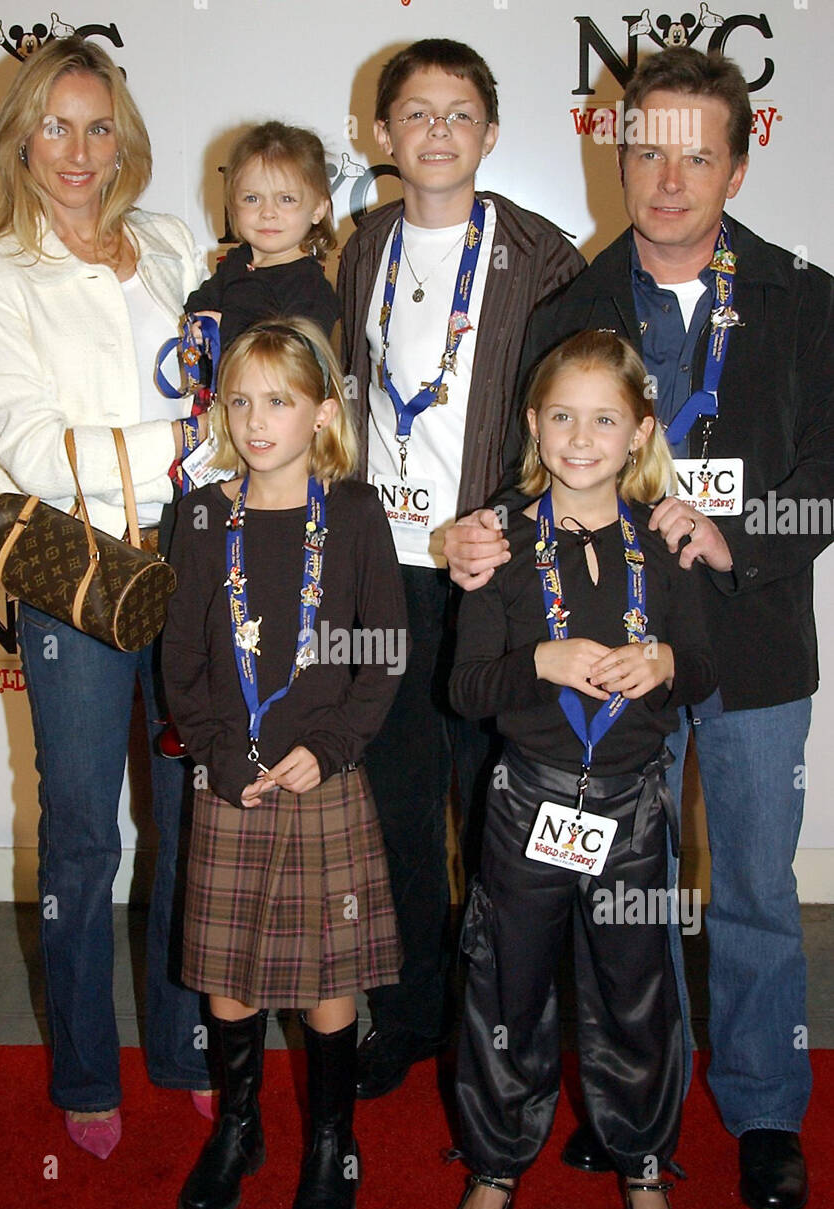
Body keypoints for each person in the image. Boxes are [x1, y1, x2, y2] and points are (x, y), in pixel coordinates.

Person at [445, 47, 834, 1209]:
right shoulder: (570, 306)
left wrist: (740, 542)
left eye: (695, 153)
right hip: (608, 662)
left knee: (755, 884)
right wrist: (475, 540)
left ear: (737, 159)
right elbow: (519, 468)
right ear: (615, 151)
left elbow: (825, 469)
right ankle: (634, 1101)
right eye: (646, 149)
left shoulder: (805, 298)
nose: (668, 177)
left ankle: (764, 1107)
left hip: (753, 639)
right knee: (628, 891)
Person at [0, 36, 213, 1158]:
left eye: (98, 126)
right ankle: (85, 1071)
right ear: (16, 139)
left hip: (194, 565)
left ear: (126, 138)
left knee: (193, 823)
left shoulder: (172, 243)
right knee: (80, 841)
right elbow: (29, 446)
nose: (77, 151)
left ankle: (189, 1043)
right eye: (52, 126)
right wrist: (192, 441)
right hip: (77, 580)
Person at [337, 38, 585, 1099]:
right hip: (377, 580)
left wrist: (492, 525)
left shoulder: (545, 259)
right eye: (415, 113)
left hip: (490, 585)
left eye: (457, 113)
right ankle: (405, 1017)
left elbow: (571, 433)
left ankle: (503, 1027)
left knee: (499, 816)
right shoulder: (356, 249)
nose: (435, 131)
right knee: (392, 812)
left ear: (489, 133)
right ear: (380, 135)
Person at [441, 329, 716, 1209]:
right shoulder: (500, 541)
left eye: (605, 419)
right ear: (533, 425)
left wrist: (668, 661)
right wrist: (539, 663)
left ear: (640, 431)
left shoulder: (666, 541)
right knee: (505, 991)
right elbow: (466, 687)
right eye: (562, 416)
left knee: (633, 994)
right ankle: (494, 1161)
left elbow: (710, 664)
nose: (582, 437)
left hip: (634, 813)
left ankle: (641, 1162)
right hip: (527, 811)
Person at [162, 320, 407, 1209]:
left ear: (320, 410)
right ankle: (237, 1127)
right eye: (239, 401)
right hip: (230, 781)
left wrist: (334, 745)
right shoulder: (197, 516)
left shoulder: (352, 514)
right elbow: (179, 659)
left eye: (278, 401)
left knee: (326, 978)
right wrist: (221, 753)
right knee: (228, 972)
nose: (256, 421)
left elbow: (381, 652)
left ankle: (330, 1144)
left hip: (322, 781)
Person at [183, 121, 340, 354]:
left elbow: (293, 353)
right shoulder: (236, 263)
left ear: (318, 209)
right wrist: (198, 325)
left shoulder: (310, 286)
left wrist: (225, 327)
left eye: (286, 199)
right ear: (232, 206)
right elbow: (197, 305)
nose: (267, 213)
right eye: (252, 199)